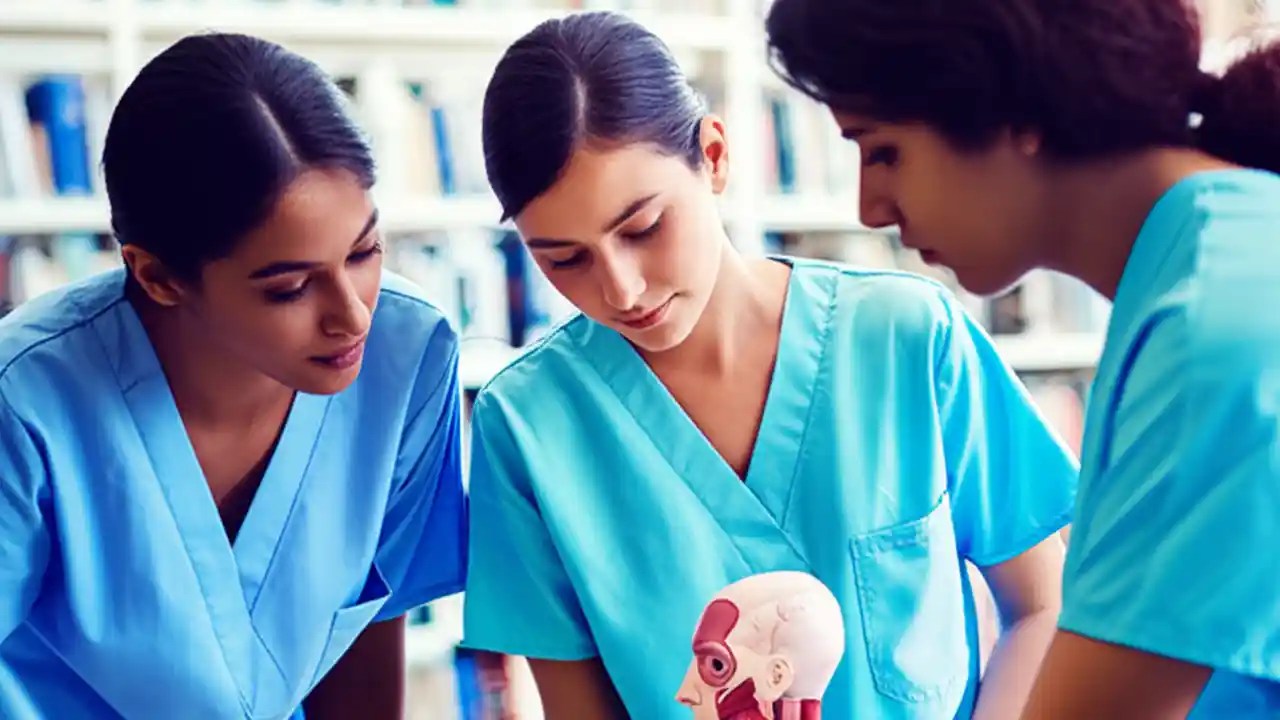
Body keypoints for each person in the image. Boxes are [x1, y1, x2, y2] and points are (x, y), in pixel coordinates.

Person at [460, 11, 1078, 720]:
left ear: (714, 157)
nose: (620, 290)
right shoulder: (528, 424)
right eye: (563, 259)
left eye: (643, 228)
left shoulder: (907, 339)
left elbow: (1040, 607)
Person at [764, 0, 1280, 718]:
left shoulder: (1216, 331)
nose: (869, 208)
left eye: (883, 151)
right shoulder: (1217, 257)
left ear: (1012, 110)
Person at [0, 33, 467, 719]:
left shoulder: (410, 353)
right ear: (158, 276)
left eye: (365, 250)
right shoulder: (26, 401)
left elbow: (368, 625)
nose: (352, 315)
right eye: (288, 288)